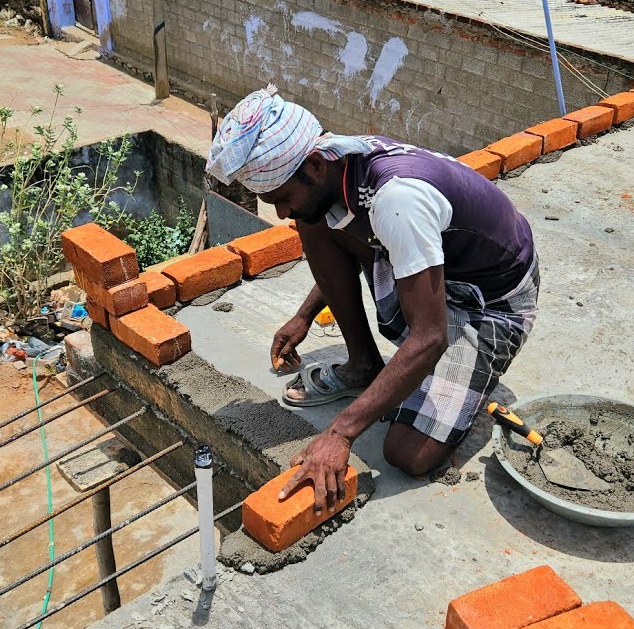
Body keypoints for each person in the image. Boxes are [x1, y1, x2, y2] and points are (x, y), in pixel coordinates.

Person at [205, 86, 538, 514]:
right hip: (441, 269)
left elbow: (430, 336)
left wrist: (340, 433)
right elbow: (341, 226)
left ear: (312, 164)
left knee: (408, 454)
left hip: (492, 302)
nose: (281, 213)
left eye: (282, 198)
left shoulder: (397, 198)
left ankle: (472, 372)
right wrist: (304, 315)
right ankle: (363, 365)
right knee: (314, 221)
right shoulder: (338, 164)